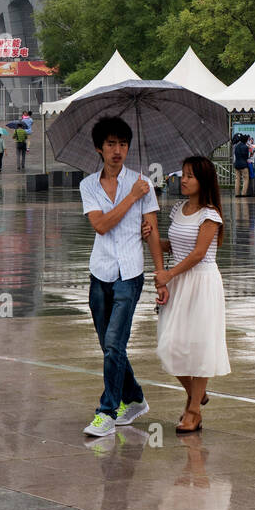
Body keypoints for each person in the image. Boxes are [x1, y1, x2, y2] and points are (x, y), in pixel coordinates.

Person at [80, 116, 162, 438]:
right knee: (108, 345)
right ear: (99, 148)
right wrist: (130, 197)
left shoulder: (144, 183)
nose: (118, 150)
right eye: (111, 144)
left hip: (130, 273)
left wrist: (162, 276)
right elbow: (100, 225)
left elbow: (152, 230)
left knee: (115, 343)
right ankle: (136, 398)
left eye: (123, 144)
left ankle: (107, 412)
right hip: (100, 271)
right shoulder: (88, 185)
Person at [153, 155, 230, 433]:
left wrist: (168, 275)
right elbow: (175, 246)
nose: (183, 180)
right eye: (182, 175)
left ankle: (194, 410)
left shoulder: (210, 214)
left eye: (189, 176)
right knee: (169, 345)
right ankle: (197, 394)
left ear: (203, 181)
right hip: (178, 283)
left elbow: (198, 254)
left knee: (199, 346)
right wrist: (149, 238)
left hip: (201, 282)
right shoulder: (178, 209)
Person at [232, 131, 250, 198]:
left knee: (237, 179)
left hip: (237, 165)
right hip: (243, 165)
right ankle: (243, 193)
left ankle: (237, 194)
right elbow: (246, 157)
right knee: (245, 179)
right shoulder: (245, 147)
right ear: (245, 140)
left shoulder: (236, 146)